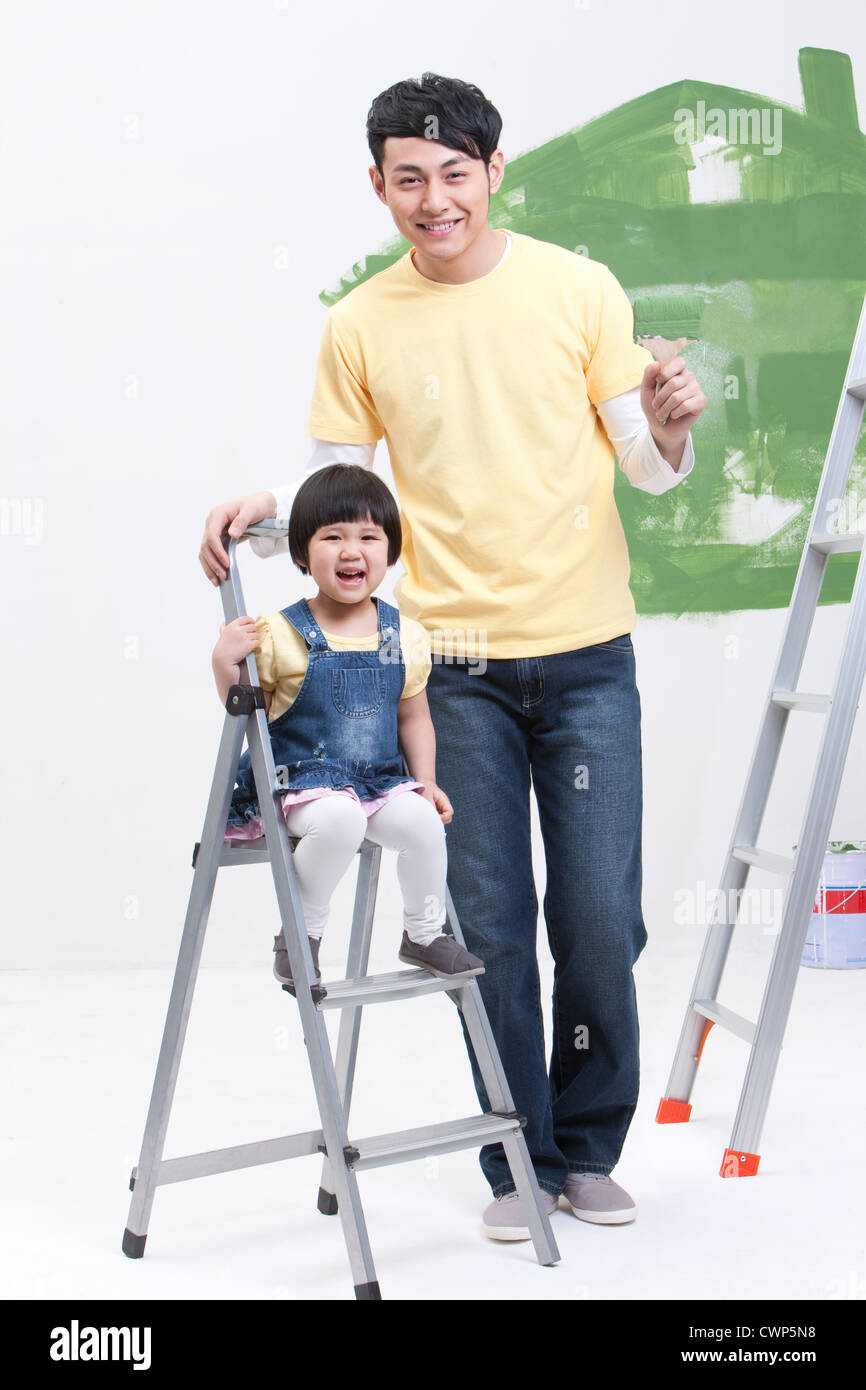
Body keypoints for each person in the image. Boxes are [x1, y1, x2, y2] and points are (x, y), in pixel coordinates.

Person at [200, 72, 707, 1241]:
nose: (433, 199)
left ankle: (586, 1146)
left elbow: (640, 457)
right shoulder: (361, 322)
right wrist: (263, 513)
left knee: (595, 915)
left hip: (585, 657)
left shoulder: (577, 289)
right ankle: (513, 1159)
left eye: (453, 174)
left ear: (491, 172)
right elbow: (344, 487)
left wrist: (669, 423)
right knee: (479, 916)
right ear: (377, 186)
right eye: (407, 179)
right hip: (445, 671)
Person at [212, 462, 485, 991]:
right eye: (332, 536)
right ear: (300, 553)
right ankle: (301, 935)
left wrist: (425, 782)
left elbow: (415, 714)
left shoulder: (402, 633)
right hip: (304, 782)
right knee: (339, 820)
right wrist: (225, 662)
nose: (351, 550)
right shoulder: (280, 634)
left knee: (425, 824)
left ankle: (424, 933)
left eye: (368, 536)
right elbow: (244, 709)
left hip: (378, 782)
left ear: (390, 551)